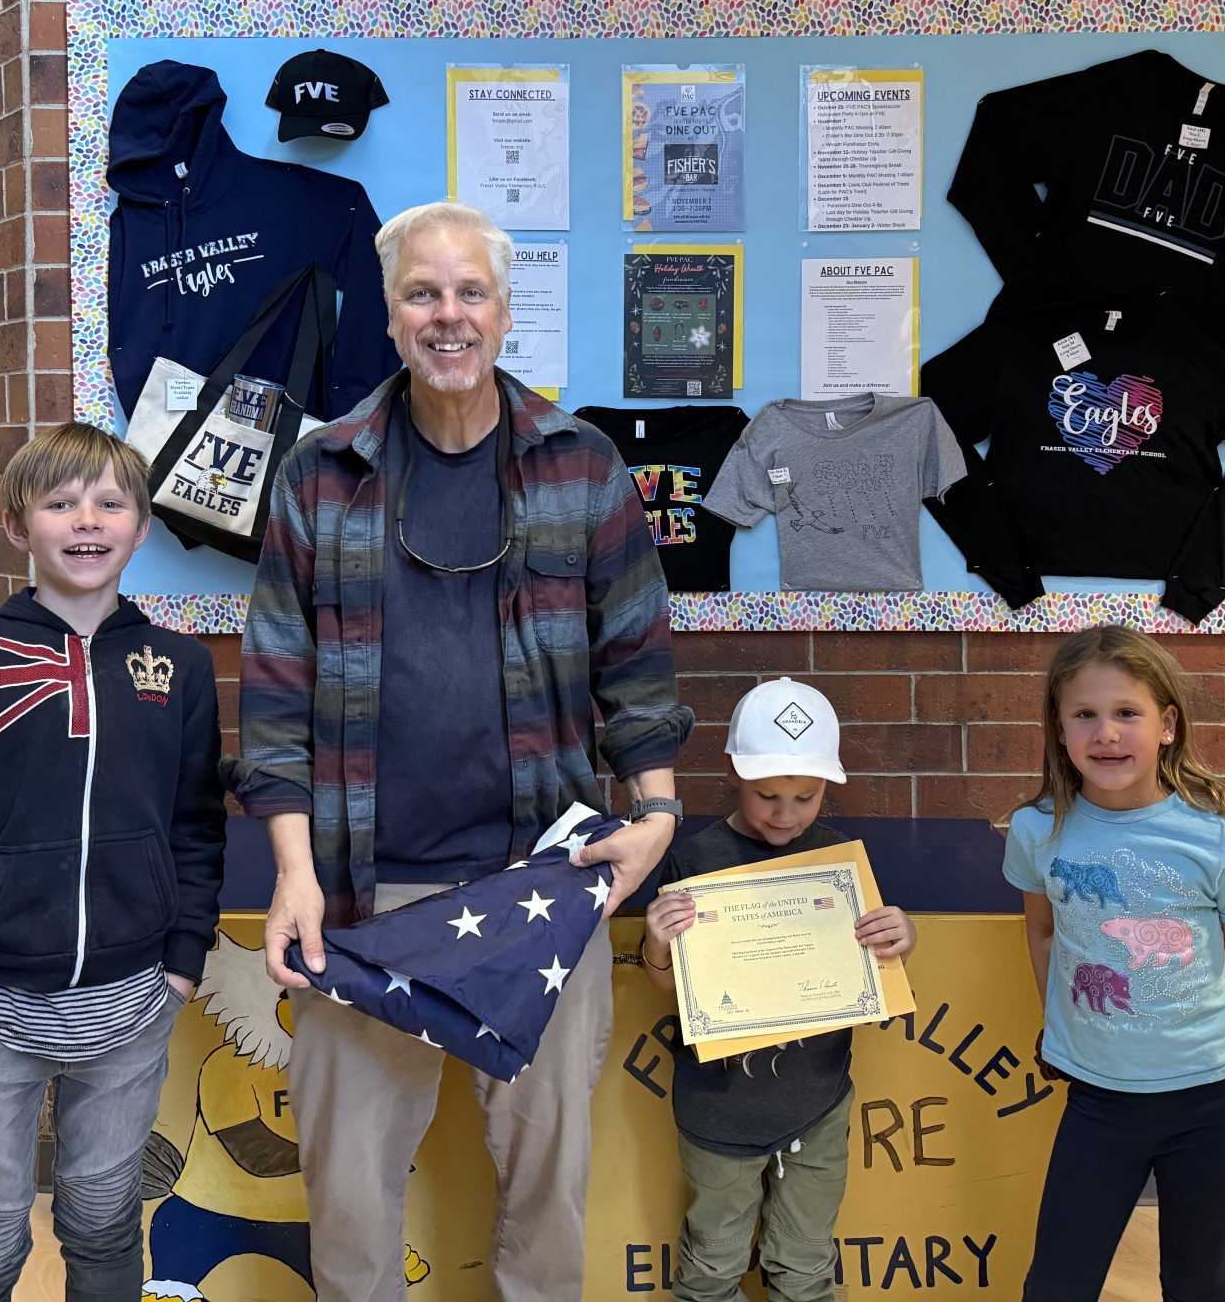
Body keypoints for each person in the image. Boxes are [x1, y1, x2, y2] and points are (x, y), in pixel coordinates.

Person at [233, 200, 693, 1300]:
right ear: (387, 319)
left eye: (469, 292)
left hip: (541, 887)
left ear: (502, 308)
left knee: (546, 1185)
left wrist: (659, 816)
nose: (448, 315)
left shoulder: (581, 469)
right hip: (360, 894)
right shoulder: (317, 476)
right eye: (422, 295)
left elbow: (634, 664)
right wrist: (291, 875)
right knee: (345, 1192)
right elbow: (275, 693)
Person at [0, 424, 226, 1302]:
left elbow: (196, 825)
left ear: (142, 526)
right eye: (60, 503)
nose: (87, 521)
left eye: (111, 502)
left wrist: (179, 966)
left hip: (131, 1004)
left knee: (103, 1224)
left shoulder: (175, 667)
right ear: (20, 527)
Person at [1004, 625, 1225, 1302]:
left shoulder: (1215, 835)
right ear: (1060, 729)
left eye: (1127, 713)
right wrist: (1067, 1022)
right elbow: (1043, 934)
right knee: (1056, 1286)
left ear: (1166, 726)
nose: (1106, 733)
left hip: (1211, 1103)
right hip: (1099, 1105)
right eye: (1086, 715)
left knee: (1195, 1285)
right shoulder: (1036, 830)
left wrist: (1166, 1020)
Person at [642, 678, 917, 1302]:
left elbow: (878, 964)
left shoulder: (838, 859)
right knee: (712, 1262)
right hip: (717, 1109)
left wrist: (901, 934)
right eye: (769, 795)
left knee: (806, 1261)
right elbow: (671, 990)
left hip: (818, 1103)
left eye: (806, 796)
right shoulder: (696, 859)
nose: (786, 813)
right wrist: (658, 945)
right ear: (735, 770)